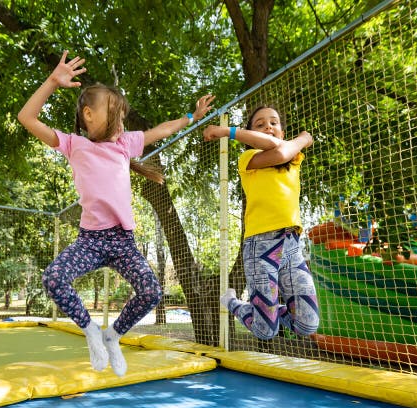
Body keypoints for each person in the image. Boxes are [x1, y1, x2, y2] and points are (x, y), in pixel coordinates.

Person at [18, 50, 214, 376]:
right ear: (89, 115)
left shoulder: (125, 144)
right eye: (116, 114)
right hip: (91, 241)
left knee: (152, 292)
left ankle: (114, 335)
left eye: (123, 117)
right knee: (53, 278)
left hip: (123, 242)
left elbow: (164, 129)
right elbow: (27, 118)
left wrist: (192, 117)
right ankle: (91, 330)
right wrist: (53, 81)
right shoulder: (73, 145)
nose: (122, 122)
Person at [202, 105, 319, 340]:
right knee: (265, 331)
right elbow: (279, 151)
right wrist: (228, 132)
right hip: (261, 246)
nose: (268, 126)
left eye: (274, 123)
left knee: (307, 326)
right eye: (260, 124)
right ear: (250, 137)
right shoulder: (248, 159)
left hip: (292, 245)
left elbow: (285, 151)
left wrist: (303, 140)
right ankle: (233, 302)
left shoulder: (293, 160)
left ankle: (269, 311)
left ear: (283, 132)